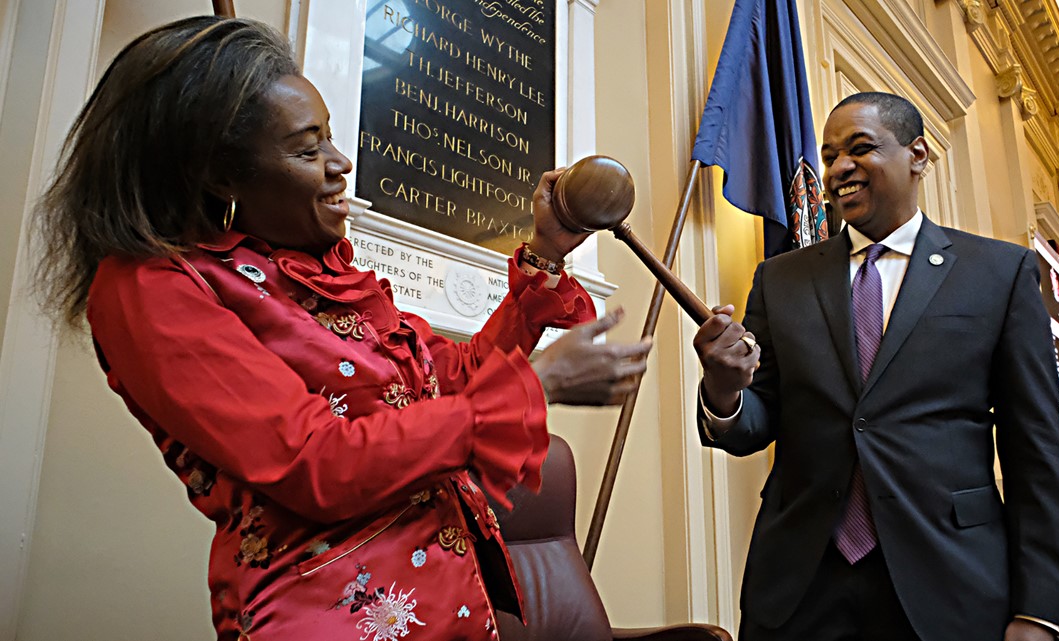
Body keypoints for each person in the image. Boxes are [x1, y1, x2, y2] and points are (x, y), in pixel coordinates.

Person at [35, 16, 652, 641]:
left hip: (454, 604)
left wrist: (545, 254)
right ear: (221, 174)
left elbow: (454, 380)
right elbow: (313, 462)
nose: (342, 163)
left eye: (329, 138)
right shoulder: (153, 287)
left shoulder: (317, 272)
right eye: (308, 149)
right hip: (332, 616)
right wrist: (535, 385)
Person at [694, 91, 1059, 641]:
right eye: (829, 156)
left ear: (917, 154)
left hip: (948, 583)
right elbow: (756, 423)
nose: (840, 168)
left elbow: (1035, 448)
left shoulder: (998, 272)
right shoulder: (780, 279)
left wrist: (1040, 609)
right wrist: (724, 390)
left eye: (860, 148)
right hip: (799, 587)